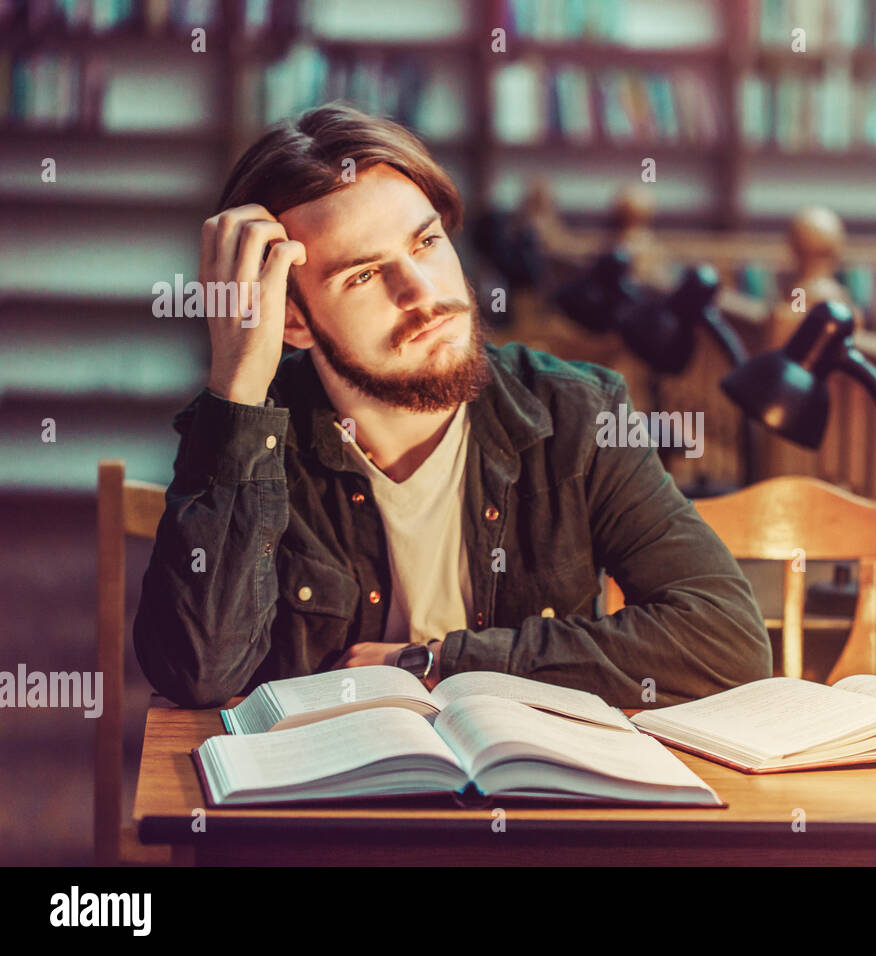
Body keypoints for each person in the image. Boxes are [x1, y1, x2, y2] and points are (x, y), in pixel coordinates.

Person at [133, 103, 771, 709]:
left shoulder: (578, 415)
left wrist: (436, 663)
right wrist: (239, 384)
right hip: (331, 809)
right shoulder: (253, 433)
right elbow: (198, 674)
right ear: (292, 319)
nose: (421, 294)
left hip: (531, 803)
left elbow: (727, 641)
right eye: (361, 275)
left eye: (426, 243)